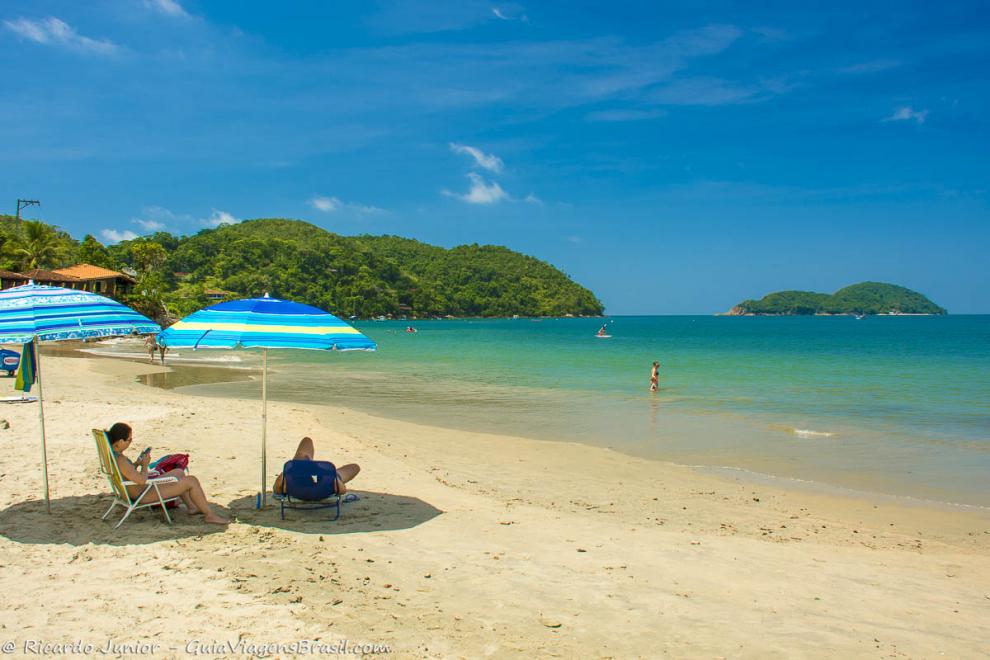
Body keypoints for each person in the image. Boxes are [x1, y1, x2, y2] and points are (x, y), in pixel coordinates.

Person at [107, 422, 229, 525]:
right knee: (191, 481)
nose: (131, 442)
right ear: (120, 441)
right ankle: (209, 515)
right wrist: (145, 465)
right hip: (143, 494)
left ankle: (192, 507)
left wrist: (136, 464)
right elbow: (141, 480)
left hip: (138, 490)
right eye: (129, 440)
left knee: (178, 472)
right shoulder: (121, 460)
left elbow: (127, 472)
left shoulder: (115, 456)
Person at [272, 436, 360, 496]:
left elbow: (276, 489)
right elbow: (342, 490)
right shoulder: (327, 483)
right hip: (324, 485)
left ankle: (302, 462)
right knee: (355, 467)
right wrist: (326, 473)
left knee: (305, 444)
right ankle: (305, 462)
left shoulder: (288, 483)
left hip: (297, 486)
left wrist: (287, 473)